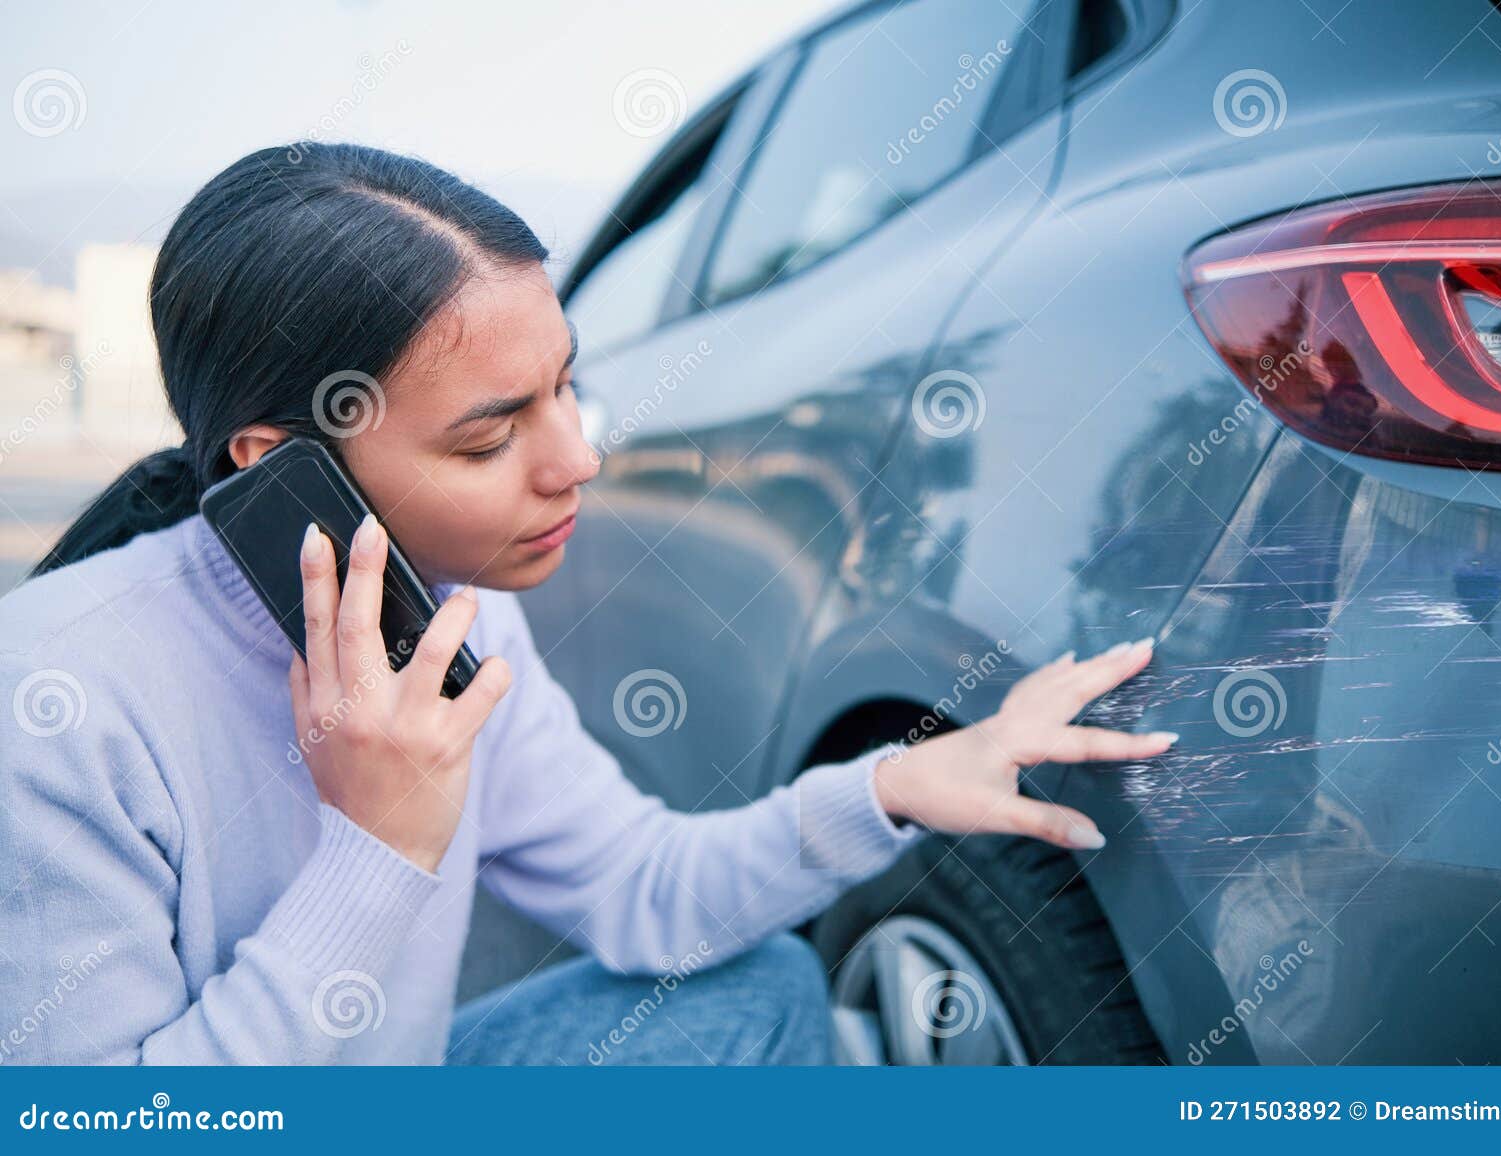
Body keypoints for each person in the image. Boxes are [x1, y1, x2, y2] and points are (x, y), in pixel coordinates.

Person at [0, 143, 1175, 1065]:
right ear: (278, 467)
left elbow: (642, 888)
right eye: (489, 438)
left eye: (565, 385)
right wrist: (380, 845)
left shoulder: (448, 620)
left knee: (760, 985)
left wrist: (895, 784)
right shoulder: (62, 698)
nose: (577, 460)